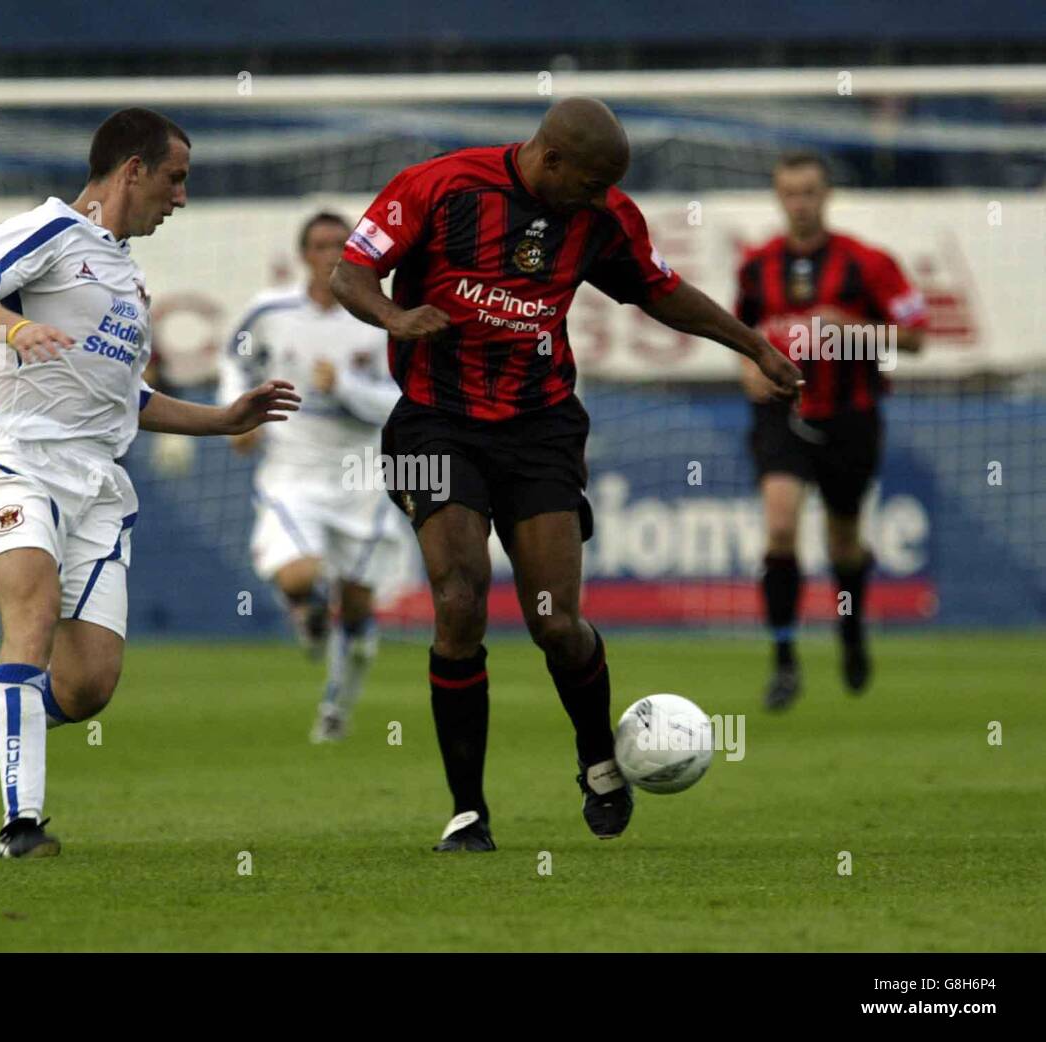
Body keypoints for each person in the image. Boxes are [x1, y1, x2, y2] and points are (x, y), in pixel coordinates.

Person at [331, 97, 803, 851]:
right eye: (587, 184)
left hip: (540, 426)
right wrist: (393, 318)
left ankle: (596, 758)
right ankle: (468, 812)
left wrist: (755, 347)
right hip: (433, 421)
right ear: (549, 159)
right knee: (457, 600)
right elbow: (349, 273)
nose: (598, 200)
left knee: (554, 620)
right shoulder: (437, 186)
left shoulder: (604, 214)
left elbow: (661, 291)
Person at [0, 108, 299, 858]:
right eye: (176, 178)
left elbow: (122, 399)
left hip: (95, 488)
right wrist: (11, 328)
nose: (182, 197)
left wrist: (223, 419)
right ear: (132, 170)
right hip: (15, 462)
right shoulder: (48, 232)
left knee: (88, 686)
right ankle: (22, 825)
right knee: (28, 625)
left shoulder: (126, 276)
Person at [736, 151, 926, 710]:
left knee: (843, 540)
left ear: (827, 194)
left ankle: (850, 631)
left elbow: (915, 337)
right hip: (782, 413)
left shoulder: (867, 263)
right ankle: (785, 660)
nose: (801, 203)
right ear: (778, 197)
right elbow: (740, 332)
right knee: (779, 527)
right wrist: (749, 368)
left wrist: (856, 329)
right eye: (791, 192)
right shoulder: (756, 266)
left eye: (810, 191)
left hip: (850, 416)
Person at [220, 212, 404, 742]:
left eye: (339, 245)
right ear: (304, 255)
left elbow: (401, 404)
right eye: (319, 245)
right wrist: (239, 414)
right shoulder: (271, 311)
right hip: (292, 469)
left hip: (360, 477)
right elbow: (237, 362)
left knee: (361, 608)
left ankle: (335, 710)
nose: (329, 254)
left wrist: (345, 384)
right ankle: (307, 609)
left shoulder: (378, 315)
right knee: (299, 575)